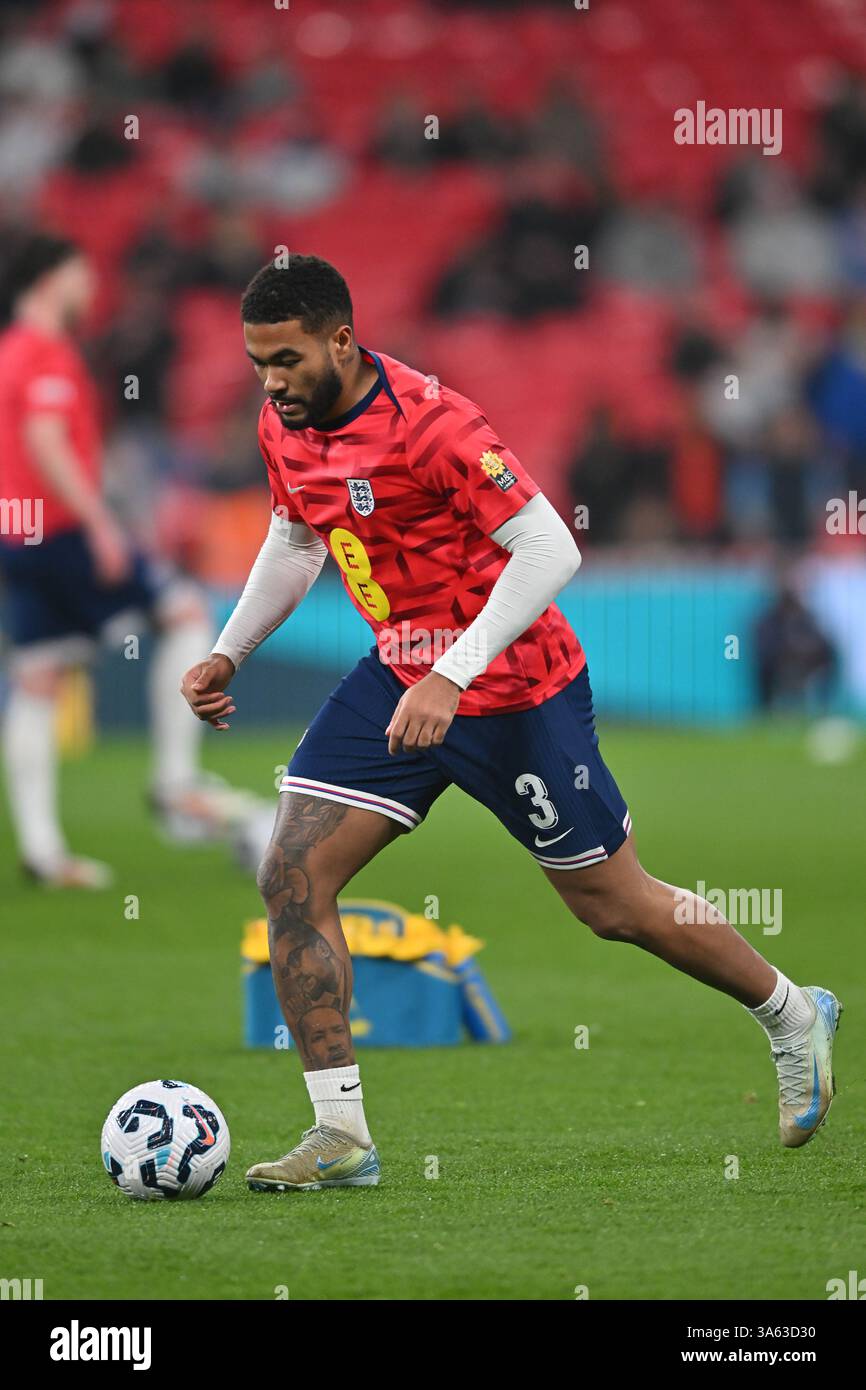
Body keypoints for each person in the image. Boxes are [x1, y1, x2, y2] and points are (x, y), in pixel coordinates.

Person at [182, 254, 842, 1192]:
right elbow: (297, 537)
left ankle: (789, 1012)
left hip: (513, 687)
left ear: (341, 339)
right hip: (400, 678)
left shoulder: (434, 426)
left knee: (614, 906)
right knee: (292, 871)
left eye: (286, 360)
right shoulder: (283, 426)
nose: (272, 382)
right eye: (258, 364)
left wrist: (451, 675)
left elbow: (549, 545)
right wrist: (229, 650)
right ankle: (341, 1134)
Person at [0, 234, 247, 887]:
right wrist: (101, 521)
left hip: (15, 535)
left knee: (37, 677)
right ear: (51, 278)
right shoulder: (47, 352)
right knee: (187, 611)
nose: (91, 285)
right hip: (62, 531)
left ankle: (44, 851)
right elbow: (46, 438)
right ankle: (174, 782)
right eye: (82, 272)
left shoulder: (8, 353)